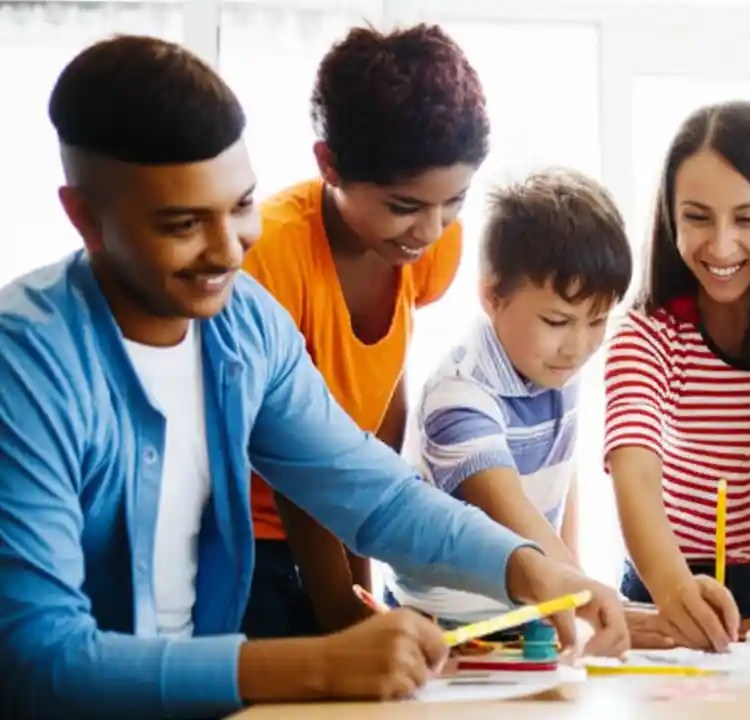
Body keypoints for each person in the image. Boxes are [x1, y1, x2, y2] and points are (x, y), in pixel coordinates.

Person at [0, 36, 624, 719]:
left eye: (241, 205)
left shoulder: (245, 324)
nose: (228, 250)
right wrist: (320, 661)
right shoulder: (25, 365)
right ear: (85, 218)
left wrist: (532, 568)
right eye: (183, 225)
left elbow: (376, 496)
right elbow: (37, 659)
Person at [240, 24, 486, 638]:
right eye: (404, 206)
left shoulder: (428, 246)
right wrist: (340, 607)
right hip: (248, 538)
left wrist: (362, 587)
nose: (431, 229)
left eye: (454, 200)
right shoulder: (269, 257)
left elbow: (381, 401)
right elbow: (294, 459)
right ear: (329, 164)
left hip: (346, 511)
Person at [388, 167, 669, 646]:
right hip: (447, 626)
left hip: (527, 609)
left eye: (597, 320)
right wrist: (591, 603)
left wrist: (580, 586)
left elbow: (560, 479)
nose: (577, 347)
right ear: (491, 296)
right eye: (557, 321)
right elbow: (513, 512)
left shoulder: (551, 368)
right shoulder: (458, 396)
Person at [604, 100, 750, 651]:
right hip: (662, 584)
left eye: (748, 219)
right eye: (697, 217)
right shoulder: (649, 334)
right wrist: (674, 590)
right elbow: (634, 476)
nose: (722, 245)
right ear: (669, 217)